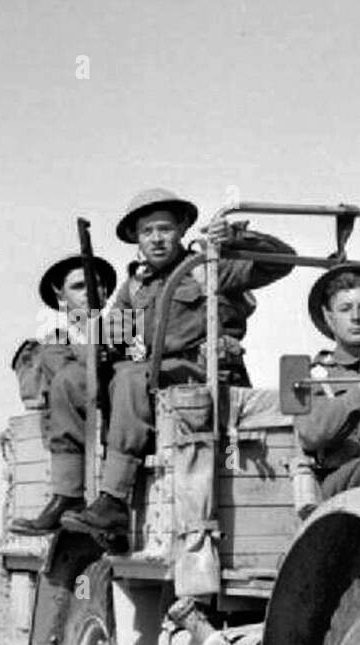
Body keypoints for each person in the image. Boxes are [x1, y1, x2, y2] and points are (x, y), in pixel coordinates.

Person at [62, 188, 295, 544]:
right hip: (156, 381)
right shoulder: (134, 288)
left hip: (205, 378)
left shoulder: (208, 267)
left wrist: (237, 238)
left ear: (183, 229)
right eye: (147, 232)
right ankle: (71, 493)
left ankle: (114, 499)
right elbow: (113, 336)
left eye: (165, 229)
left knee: (130, 375)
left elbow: (282, 261)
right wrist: (97, 343)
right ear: (137, 239)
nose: (156, 239)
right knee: (79, 377)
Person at [8, 253, 117, 534]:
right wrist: (95, 352)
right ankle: (68, 495)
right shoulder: (55, 341)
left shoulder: (124, 326)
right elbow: (71, 382)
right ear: (61, 296)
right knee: (68, 379)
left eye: (96, 285)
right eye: (79, 287)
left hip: (122, 420)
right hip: (85, 422)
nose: (91, 293)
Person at [293, 265, 360, 502]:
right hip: (338, 487)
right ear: (328, 317)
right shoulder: (306, 373)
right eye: (345, 309)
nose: (356, 317)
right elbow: (310, 434)